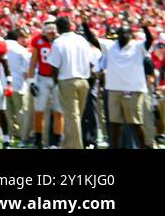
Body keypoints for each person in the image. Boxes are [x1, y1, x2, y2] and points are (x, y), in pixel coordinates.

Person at [97, 23, 152, 149]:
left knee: (135, 123)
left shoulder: (138, 46)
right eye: (121, 33)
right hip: (114, 89)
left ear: (131, 35)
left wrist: (145, 27)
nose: (123, 35)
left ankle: (143, 147)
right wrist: (84, 24)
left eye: (126, 32)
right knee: (115, 123)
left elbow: (150, 40)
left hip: (133, 90)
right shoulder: (111, 46)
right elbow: (94, 41)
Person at [47, 15, 98, 149]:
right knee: (75, 117)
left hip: (67, 81)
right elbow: (92, 61)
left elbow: (54, 66)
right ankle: (67, 144)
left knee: (72, 117)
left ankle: (75, 146)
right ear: (70, 26)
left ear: (58, 28)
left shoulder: (58, 42)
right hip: (84, 81)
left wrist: (56, 83)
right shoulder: (81, 39)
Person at [27, 17, 61, 148]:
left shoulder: (60, 41)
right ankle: (38, 140)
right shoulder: (38, 40)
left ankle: (57, 142)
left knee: (58, 111)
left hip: (57, 79)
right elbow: (33, 62)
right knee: (39, 110)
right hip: (42, 78)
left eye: (53, 26)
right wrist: (31, 81)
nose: (51, 30)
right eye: (48, 26)